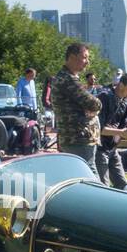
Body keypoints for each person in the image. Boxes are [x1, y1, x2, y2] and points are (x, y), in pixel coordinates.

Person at [52, 43, 102, 171]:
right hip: (78, 137)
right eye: (84, 57)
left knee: (80, 173)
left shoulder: (67, 77)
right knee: (89, 174)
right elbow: (94, 104)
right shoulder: (67, 79)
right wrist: (94, 108)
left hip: (75, 137)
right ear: (72, 57)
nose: (87, 62)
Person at [95, 72, 127, 188]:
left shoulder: (126, 101)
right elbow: (99, 128)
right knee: (103, 187)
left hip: (112, 149)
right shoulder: (104, 97)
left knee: (123, 186)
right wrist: (122, 132)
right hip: (98, 149)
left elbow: (120, 128)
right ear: (120, 85)